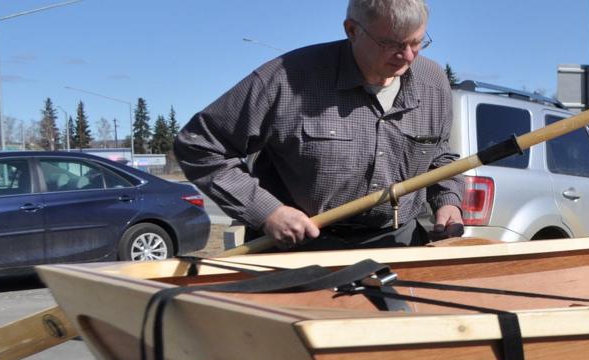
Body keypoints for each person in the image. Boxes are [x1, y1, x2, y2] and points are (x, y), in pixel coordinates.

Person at [174, 0, 464, 251]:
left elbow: (439, 155)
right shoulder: (287, 79)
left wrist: (448, 201)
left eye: (417, 42)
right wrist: (268, 212)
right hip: (301, 249)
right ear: (352, 30)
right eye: (392, 44)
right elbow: (199, 145)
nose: (408, 56)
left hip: (395, 243)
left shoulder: (432, 82)